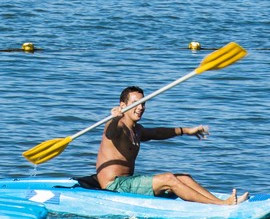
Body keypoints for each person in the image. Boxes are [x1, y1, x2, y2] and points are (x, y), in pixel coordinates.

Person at [95, 86, 248, 205]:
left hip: (129, 182)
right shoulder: (117, 125)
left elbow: (158, 133)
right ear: (123, 105)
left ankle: (221, 202)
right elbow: (110, 132)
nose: (141, 107)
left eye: (143, 103)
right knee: (168, 178)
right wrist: (114, 118)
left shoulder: (137, 130)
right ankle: (221, 205)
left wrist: (187, 131)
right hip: (114, 186)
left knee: (184, 178)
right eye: (135, 103)